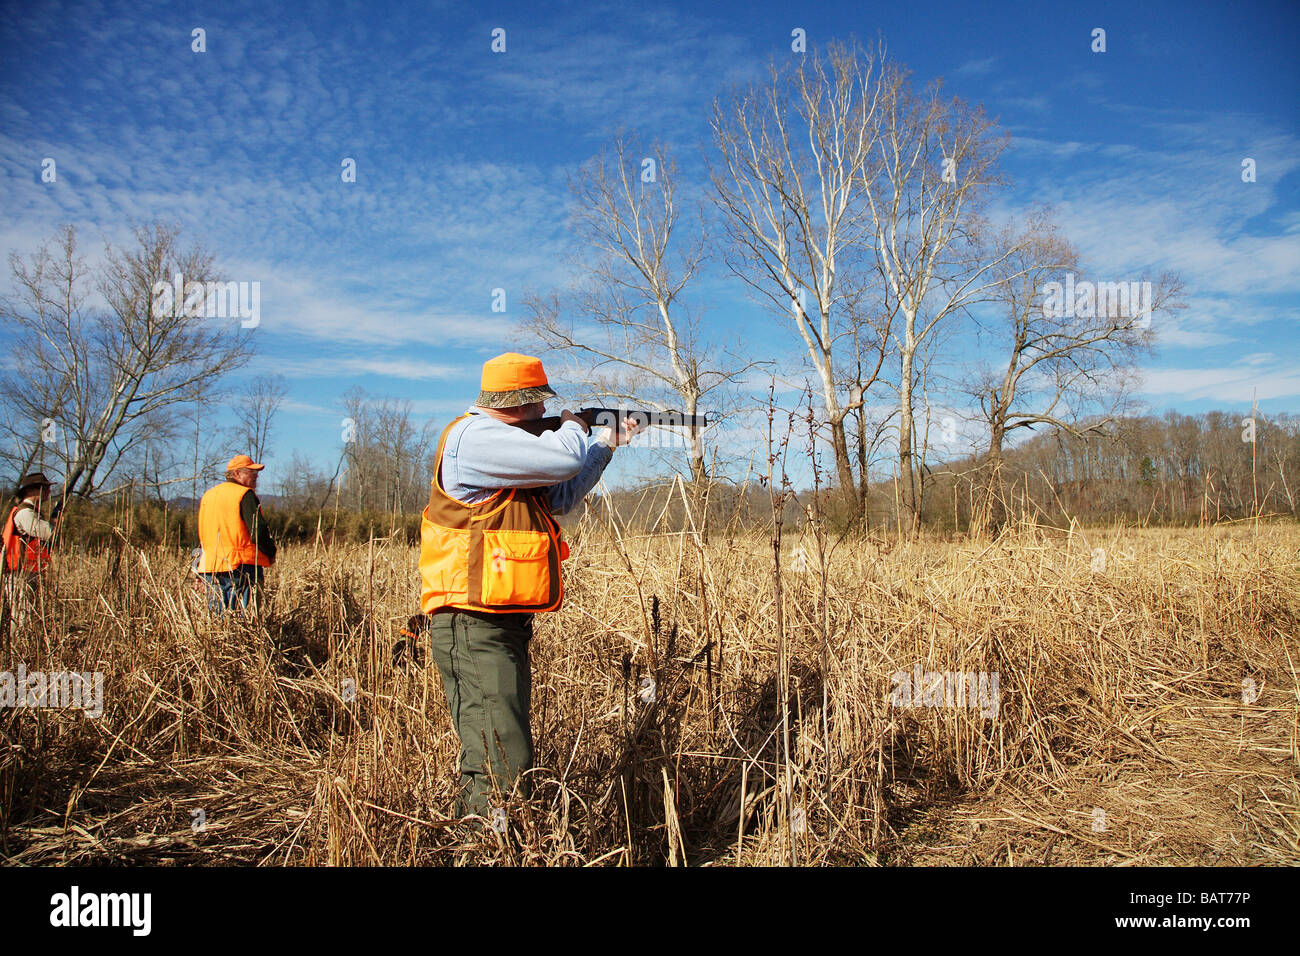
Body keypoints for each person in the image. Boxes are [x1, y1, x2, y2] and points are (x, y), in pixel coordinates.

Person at [418, 352, 639, 819]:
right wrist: (574, 425)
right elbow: (562, 458)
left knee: (499, 749)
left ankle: (485, 838)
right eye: (540, 405)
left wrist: (607, 443)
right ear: (522, 402)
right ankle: (484, 845)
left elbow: (559, 495)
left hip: (498, 621)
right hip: (471, 621)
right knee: (502, 758)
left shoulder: (505, 452)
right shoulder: (474, 437)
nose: (544, 413)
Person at [196, 454, 277, 613]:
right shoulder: (244, 494)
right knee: (247, 620)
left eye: (256, 473)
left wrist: (197, 567)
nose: (256, 476)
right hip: (241, 568)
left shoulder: (209, 496)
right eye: (251, 472)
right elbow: (258, 530)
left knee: (218, 621)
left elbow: (201, 535)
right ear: (236, 473)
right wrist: (270, 552)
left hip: (211, 567)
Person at [2, 472, 61, 630]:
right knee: (23, 619)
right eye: (44, 488)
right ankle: (18, 653)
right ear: (30, 491)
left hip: (24, 572)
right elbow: (50, 534)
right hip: (20, 575)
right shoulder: (25, 513)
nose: (48, 491)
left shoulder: (28, 511)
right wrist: (55, 520)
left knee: (24, 618)